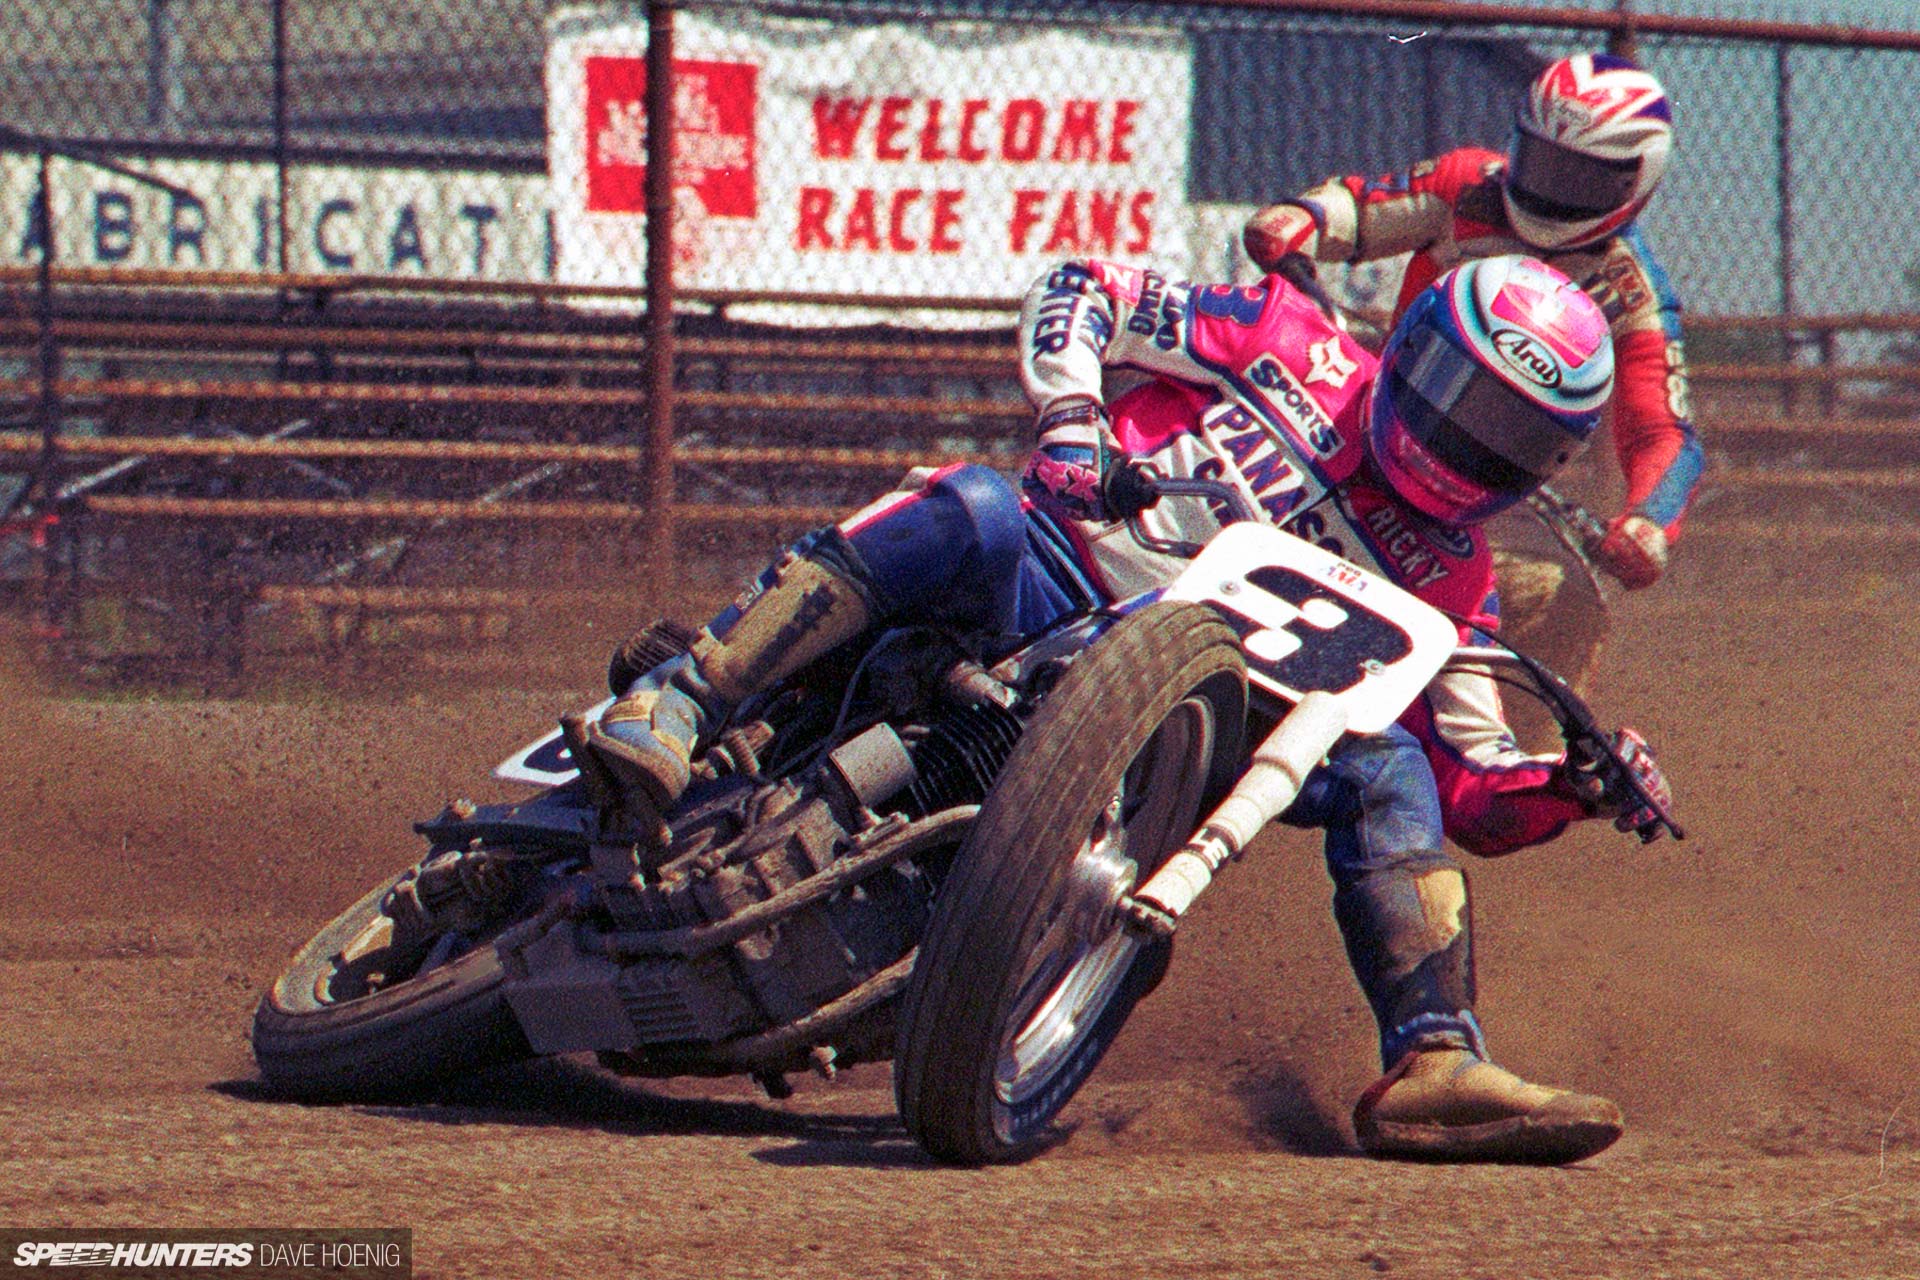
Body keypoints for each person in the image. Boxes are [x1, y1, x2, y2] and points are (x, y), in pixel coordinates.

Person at [581, 250, 1669, 1166]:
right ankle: (685, 699)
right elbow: (1084, 287)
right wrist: (1071, 418)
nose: (1458, 437)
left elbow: (1471, 783)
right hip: (1060, 574)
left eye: (1505, 436)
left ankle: (1436, 1054)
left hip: (1215, 726)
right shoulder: (1292, 335)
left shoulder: (1459, 580)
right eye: (1454, 389)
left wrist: (1571, 785)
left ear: (1547, 463)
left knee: (1390, 767)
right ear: (1414, 337)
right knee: (972, 504)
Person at [1242, 51, 1705, 712]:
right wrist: (1302, 219)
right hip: (1366, 419)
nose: (1549, 189)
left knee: (1561, 601)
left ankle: (1519, 766)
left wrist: (1648, 524)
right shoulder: (1466, 185)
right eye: (1542, 160)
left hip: (1483, 498)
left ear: (1635, 183)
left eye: (1578, 175)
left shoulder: (1632, 292)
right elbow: (1358, 208)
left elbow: (1665, 434)